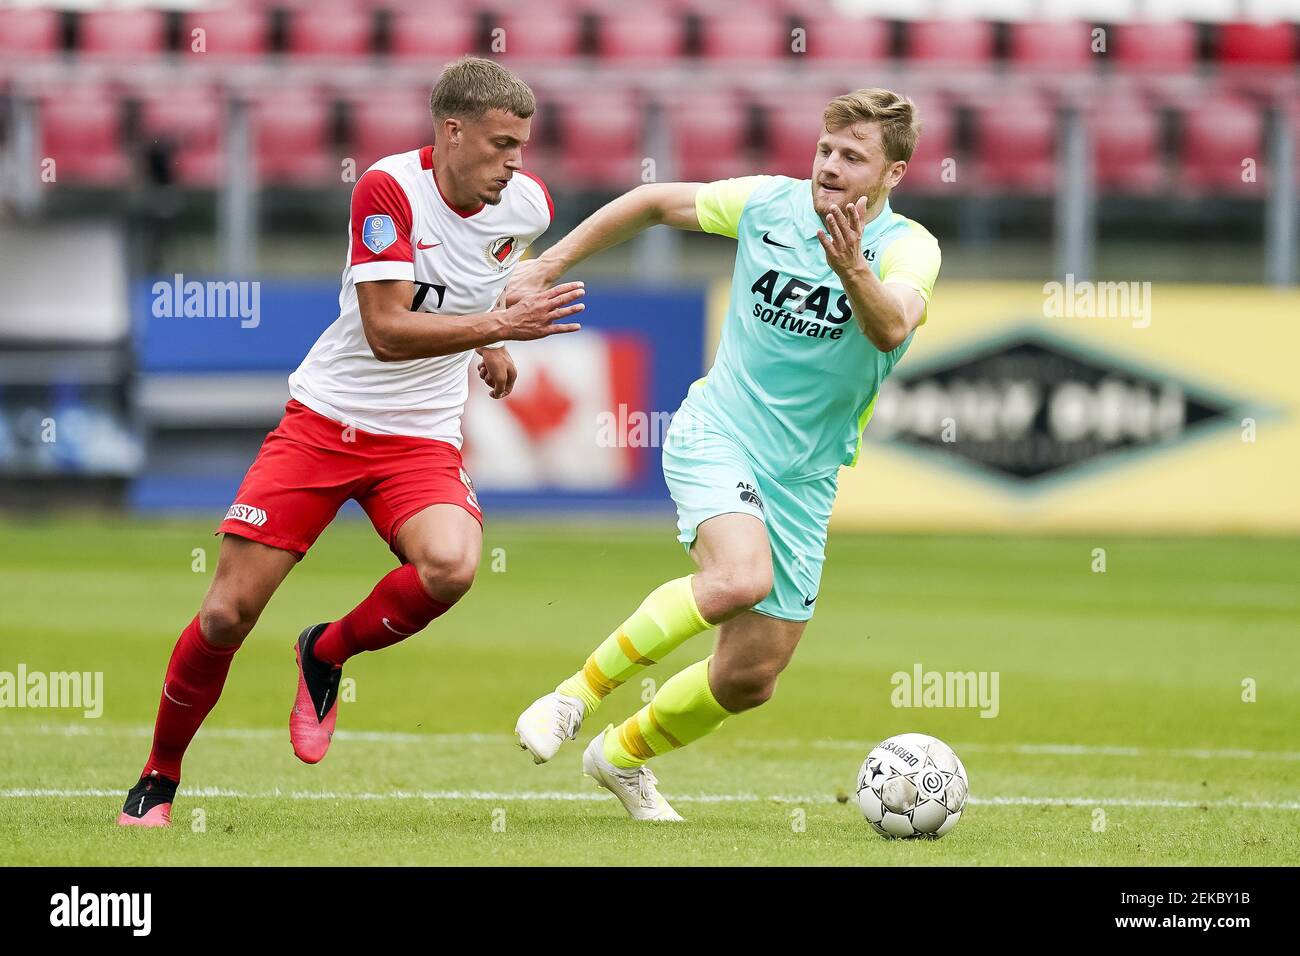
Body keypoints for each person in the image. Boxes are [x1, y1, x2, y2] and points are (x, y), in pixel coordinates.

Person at [118, 56, 583, 827]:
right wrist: (498, 329)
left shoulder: (526, 205)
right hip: (326, 423)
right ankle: (158, 778)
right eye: (501, 144)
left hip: (419, 438)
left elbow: (488, 273)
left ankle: (325, 652)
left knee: (452, 566)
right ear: (451, 130)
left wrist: (485, 343)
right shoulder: (388, 188)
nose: (515, 163)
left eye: (523, 146)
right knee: (227, 614)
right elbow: (388, 330)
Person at [512, 89, 941, 821]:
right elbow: (651, 201)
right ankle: (570, 699)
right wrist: (543, 266)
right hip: (720, 431)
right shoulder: (767, 206)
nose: (830, 168)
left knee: (750, 678)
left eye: (853, 157)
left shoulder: (907, 247)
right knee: (738, 576)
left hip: (804, 478)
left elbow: (890, 326)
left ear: (892, 174)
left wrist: (851, 271)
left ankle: (618, 758)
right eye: (826, 150)